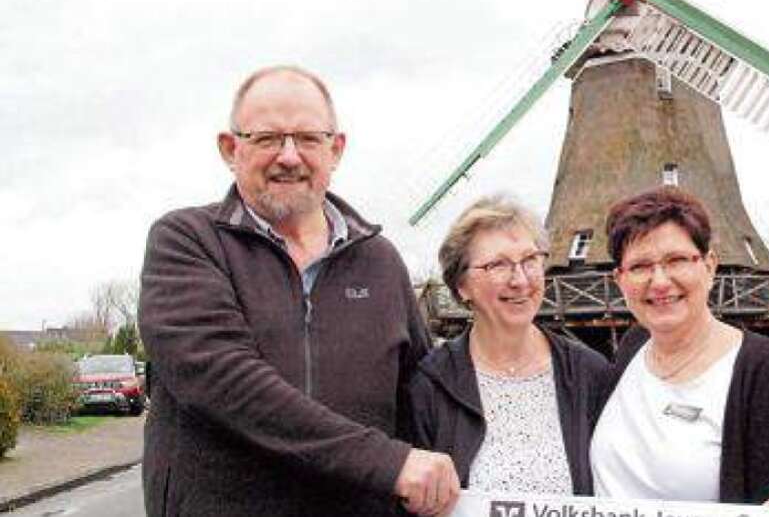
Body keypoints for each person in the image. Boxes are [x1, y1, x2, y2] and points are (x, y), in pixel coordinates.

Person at [138, 66, 458, 516]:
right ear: (230, 149)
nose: (289, 157)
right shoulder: (187, 241)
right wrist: (388, 463)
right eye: (267, 138)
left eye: (308, 138)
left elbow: (421, 394)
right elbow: (224, 380)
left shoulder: (380, 260)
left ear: (336, 149)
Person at [591, 187, 769, 504]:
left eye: (676, 260)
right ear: (620, 279)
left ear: (709, 265)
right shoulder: (633, 347)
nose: (660, 281)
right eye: (640, 266)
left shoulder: (767, 372)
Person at [408, 195, 608, 494]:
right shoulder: (432, 386)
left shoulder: (588, 373)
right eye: (498, 265)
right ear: (461, 286)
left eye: (530, 260)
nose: (520, 280)